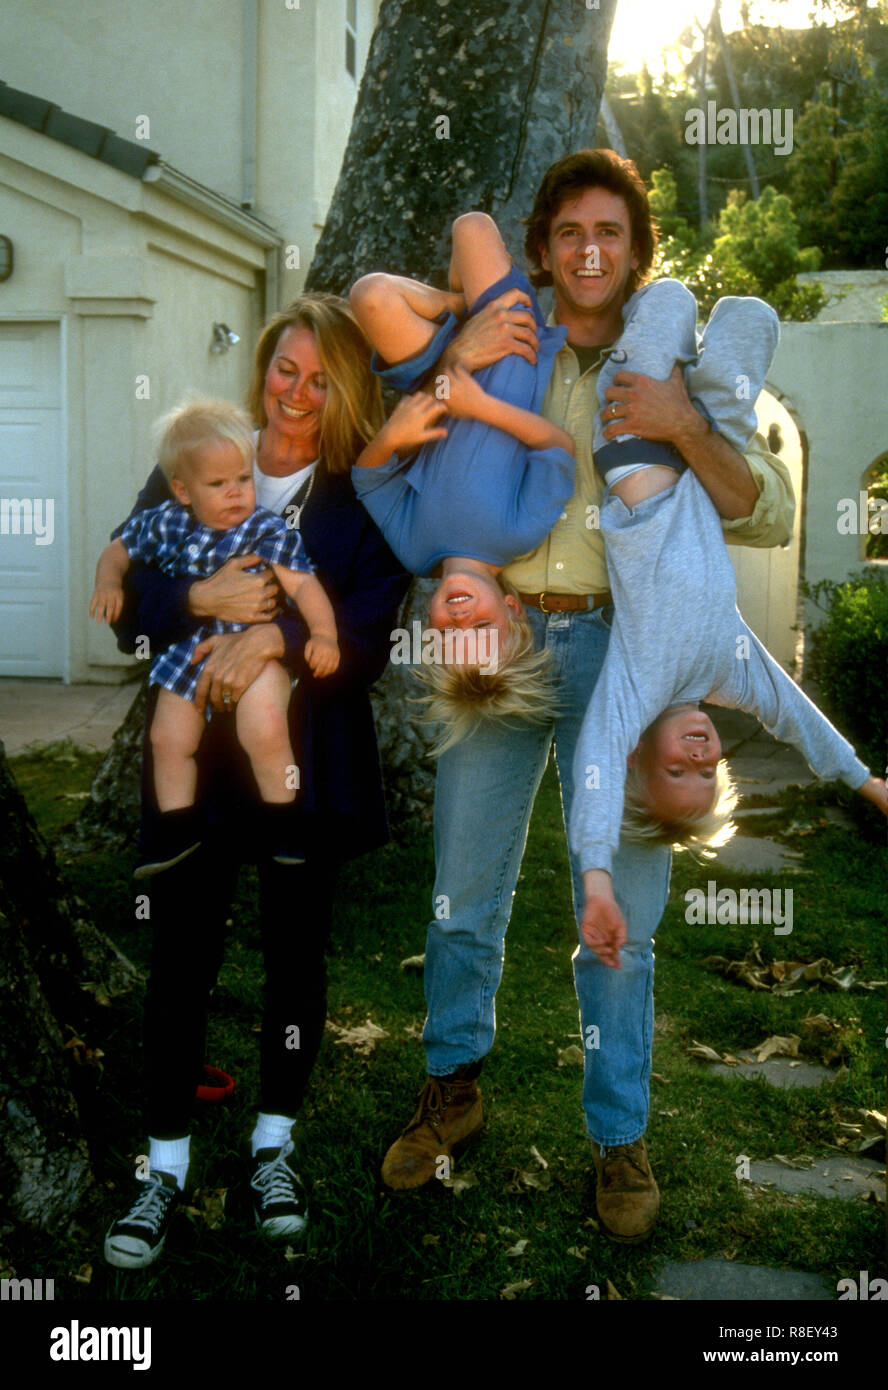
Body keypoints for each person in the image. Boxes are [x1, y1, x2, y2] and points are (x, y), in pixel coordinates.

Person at [380, 149, 796, 1245]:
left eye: (610, 232)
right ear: (544, 249)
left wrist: (682, 419)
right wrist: (451, 362)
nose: (590, 251)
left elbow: (767, 510)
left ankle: (619, 1137)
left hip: (626, 654)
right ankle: (453, 1083)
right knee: (464, 890)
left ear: (637, 249)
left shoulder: (680, 362)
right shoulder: (507, 333)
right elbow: (416, 451)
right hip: (503, 646)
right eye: (570, 233)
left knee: (618, 919)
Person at [102, 295, 409, 1269]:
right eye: (288, 369)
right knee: (180, 958)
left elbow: (365, 635)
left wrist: (278, 633)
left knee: (293, 959)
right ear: (263, 370)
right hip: (193, 763)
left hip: (299, 769)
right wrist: (198, 598)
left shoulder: (362, 495)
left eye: (324, 379)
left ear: (347, 388)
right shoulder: (193, 458)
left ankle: (274, 1147)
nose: (300, 393)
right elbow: (127, 609)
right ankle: (164, 1166)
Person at [568, 292, 888, 963]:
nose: (698, 758)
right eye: (706, 776)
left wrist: (597, 883)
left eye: (676, 773)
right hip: (708, 466)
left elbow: (593, 779)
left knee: (669, 300)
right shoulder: (731, 669)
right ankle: (697, 353)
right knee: (752, 319)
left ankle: (638, 325)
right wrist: (868, 783)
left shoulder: (632, 688)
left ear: (639, 756)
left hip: (638, 452)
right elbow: (798, 718)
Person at [349, 212, 576, 746]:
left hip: (431, 374)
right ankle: (465, 298)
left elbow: (369, 478)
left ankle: (455, 303)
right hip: (511, 349)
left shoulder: (415, 551)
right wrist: (480, 404)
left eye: (450, 634)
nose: (460, 617)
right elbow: (557, 450)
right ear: (513, 610)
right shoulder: (516, 536)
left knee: (371, 295)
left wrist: (397, 429)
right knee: (472, 228)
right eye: (481, 628)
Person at [90, 398, 340, 875]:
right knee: (167, 739)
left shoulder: (265, 529)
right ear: (182, 490)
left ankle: (286, 822)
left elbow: (304, 584)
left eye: (243, 480)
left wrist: (324, 634)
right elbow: (116, 551)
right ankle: (175, 831)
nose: (235, 494)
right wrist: (107, 583)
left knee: (263, 726)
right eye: (218, 484)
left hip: (254, 651)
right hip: (188, 653)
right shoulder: (164, 523)